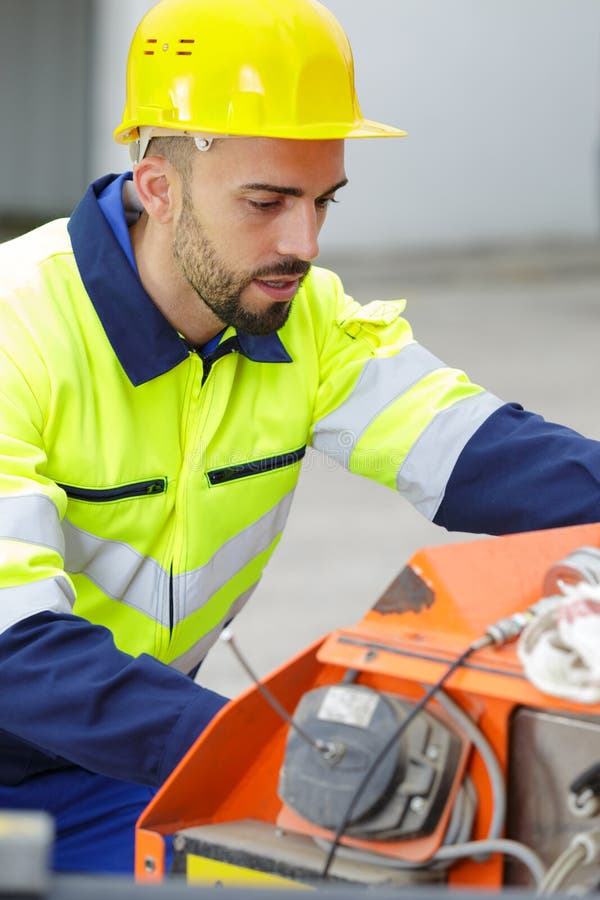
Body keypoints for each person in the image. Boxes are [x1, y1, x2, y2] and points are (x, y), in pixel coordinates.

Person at [0, 0, 599, 876]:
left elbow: (485, 452)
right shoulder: (18, 328)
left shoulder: (300, 318)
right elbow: (14, 645)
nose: (303, 242)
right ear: (157, 188)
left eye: (323, 201)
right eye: (266, 201)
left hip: (109, 763)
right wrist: (264, 747)